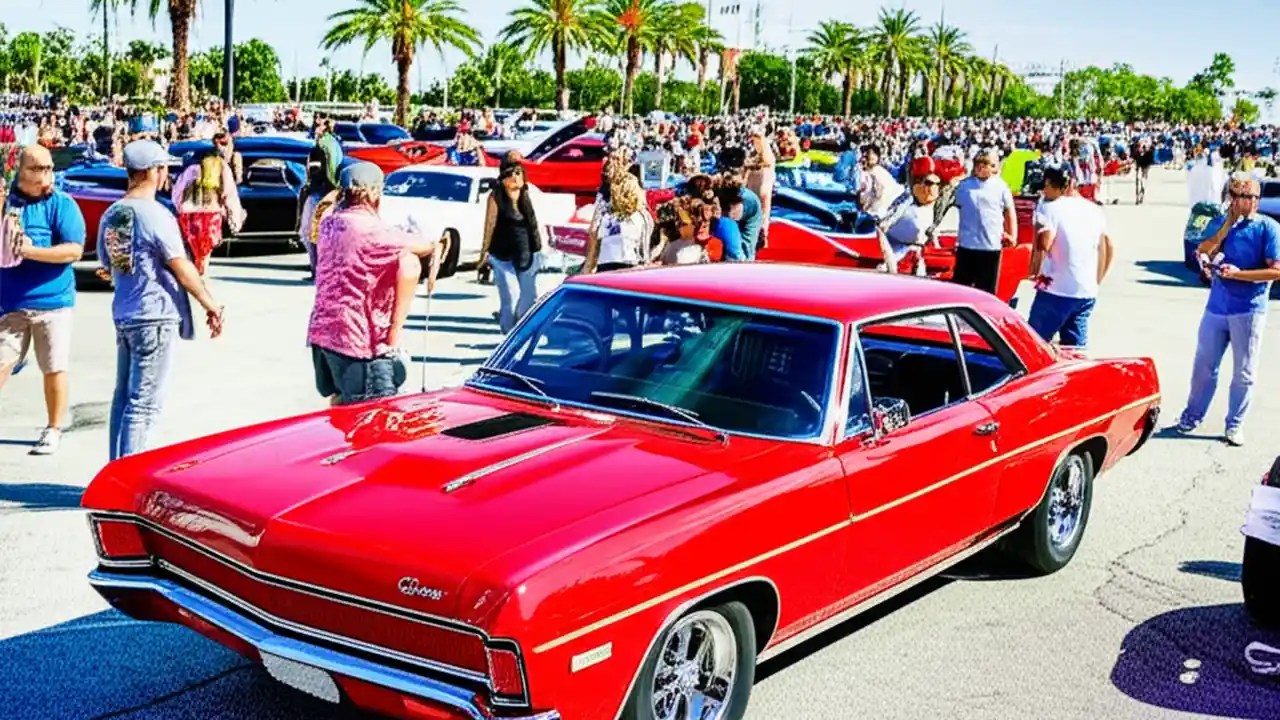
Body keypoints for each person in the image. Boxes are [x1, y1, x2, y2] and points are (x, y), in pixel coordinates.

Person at [98, 140, 225, 460]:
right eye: (163, 168)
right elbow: (180, 266)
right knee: (143, 405)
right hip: (155, 314)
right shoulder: (156, 215)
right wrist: (209, 303)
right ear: (153, 171)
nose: (166, 173)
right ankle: (125, 482)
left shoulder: (112, 214)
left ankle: (114, 468)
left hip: (126, 312)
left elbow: (108, 265)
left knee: (123, 399)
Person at [308, 162, 439, 406]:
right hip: (359, 342)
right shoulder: (371, 231)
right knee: (374, 417)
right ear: (375, 193)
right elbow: (418, 250)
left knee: (341, 406)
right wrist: (437, 245)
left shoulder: (329, 224)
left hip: (323, 333)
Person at [1173, 174, 1280, 447]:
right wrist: (1224, 230)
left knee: (1243, 373)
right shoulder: (1224, 223)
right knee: (1204, 367)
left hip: (1249, 309)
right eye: (1245, 196)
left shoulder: (1268, 227)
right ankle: (1192, 416)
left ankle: (1235, 424)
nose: (1251, 202)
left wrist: (1240, 274)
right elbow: (1202, 249)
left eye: (1255, 196)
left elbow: (1275, 271)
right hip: (1217, 307)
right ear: (1232, 198)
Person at [0, 145, 86, 455]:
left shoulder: (61, 204)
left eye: (49, 168)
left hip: (53, 303)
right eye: (38, 169)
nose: (46, 175)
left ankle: (53, 428)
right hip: (10, 304)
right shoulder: (7, 203)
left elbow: (73, 251)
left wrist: (30, 251)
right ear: (21, 172)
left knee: (53, 366)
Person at [1027, 166, 1114, 348]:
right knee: (1075, 348)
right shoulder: (1094, 209)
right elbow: (1108, 246)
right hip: (1086, 291)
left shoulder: (1049, 207)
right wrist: (1097, 279)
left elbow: (1045, 243)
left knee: (1034, 344)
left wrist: (1034, 268)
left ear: (1051, 184)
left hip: (1056, 289)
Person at [479, 159, 543, 333]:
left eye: (518, 173)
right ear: (503, 178)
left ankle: (522, 332)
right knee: (510, 297)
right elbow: (489, 224)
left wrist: (538, 250)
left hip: (525, 252)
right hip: (502, 254)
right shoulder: (496, 196)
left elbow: (533, 224)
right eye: (510, 174)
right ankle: (508, 334)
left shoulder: (525, 194)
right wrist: (484, 253)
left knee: (529, 298)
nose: (515, 177)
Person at [952, 149, 1017, 294]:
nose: (981, 167)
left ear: (994, 166)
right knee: (961, 290)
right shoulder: (963, 186)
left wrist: (1012, 235)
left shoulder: (1001, 186)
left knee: (986, 291)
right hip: (967, 245)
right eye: (978, 163)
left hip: (990, 247)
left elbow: (1009, 211)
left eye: (985, 164)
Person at [170, 149, 245, 274]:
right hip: (212, 214)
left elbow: (178, 191)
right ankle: (202, 273)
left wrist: (179, 208)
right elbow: (228, 193)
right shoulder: (222, 168)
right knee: (206, 250)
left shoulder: (192, 170)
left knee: (190, 247)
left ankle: (192, 273)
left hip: (188, 214)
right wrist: (235, 218)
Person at [875, 157, 945, 276]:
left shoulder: (937, 200)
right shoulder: (907, 197)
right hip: (897, 254)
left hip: (917, 256)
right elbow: (885, 223)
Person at [583, 170, 653, 273]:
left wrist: (589, 266)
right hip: (631, 263)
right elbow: (644, 247)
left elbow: (594, 235)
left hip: (605, 263)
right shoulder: (641, 215)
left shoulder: (605, 213)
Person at [299, 118, 343, 280]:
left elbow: (317, 173)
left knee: (309, 232)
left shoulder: (320, 147)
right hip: (329, 192)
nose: (314, 127)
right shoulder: (335, 144)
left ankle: (316, 269)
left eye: (318, 124)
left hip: (320, 193)